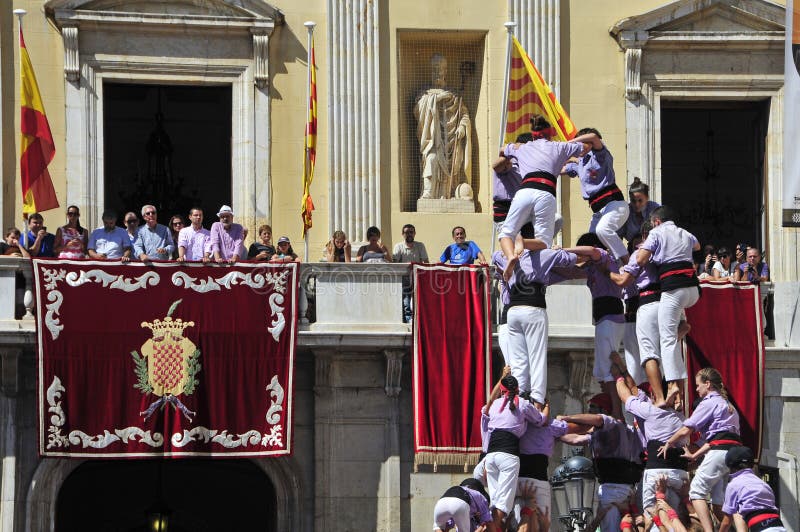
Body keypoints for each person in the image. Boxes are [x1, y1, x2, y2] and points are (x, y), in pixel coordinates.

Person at [493, 242, 590, 406]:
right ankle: (536, 400)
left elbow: (497, 257)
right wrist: (558, 250)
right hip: (530, 308)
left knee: (517, 364)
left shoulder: (501, 256)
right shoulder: (542, 256)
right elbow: (580, 259)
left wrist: (511, 255)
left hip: (510, 315)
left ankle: (517, 399)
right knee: (535, 358)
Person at [497, 117, 595, 275]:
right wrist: (568, 146)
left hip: (525, 191)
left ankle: (510, 256)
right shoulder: (559, 146)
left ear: (533, 135)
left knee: (506, 232)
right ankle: (523, 242)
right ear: (549, 135)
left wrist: (512, 150)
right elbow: (586, 147)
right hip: (546, 193)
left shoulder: (522, 148)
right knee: (544, 241)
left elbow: (502, 150)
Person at [658, 368, 742, 532]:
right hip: (733, 454)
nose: (696, 389)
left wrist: (669, 442)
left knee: (696, 490)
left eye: (698, 385)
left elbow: (686, 429)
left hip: (720, 451)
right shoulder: (729, 405)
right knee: (720, 501)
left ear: (708, 384)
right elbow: (717, 438)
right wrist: (695, 454)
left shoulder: (709, 402)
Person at [636, 206, 701, 401]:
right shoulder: (684, 232)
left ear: (656, 221)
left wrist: (653, 250)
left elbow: (640, 259)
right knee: (672, 336)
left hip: (674, 290)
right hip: (694, 291)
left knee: (668, 339)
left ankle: (673, 385)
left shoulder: (656, 232)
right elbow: (697, 246)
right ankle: (677, 391)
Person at [612, 356, 689, 514]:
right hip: (679, 475)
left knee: (651, 515)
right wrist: (623, 368)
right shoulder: (682, 418)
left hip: (657, 472)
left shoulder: (650, 411)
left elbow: (626, 396)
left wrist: (617, 377)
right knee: (676, 518)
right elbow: (634, 390)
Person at [559, 393, 643, 532]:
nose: (590, 411)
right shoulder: (601, 434)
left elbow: (597, 419)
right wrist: (552, 433)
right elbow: (575, 439)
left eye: (593, 407)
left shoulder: (612, 424)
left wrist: (566, 418)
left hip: (614, 489)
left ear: (604, 410)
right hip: (615, 488)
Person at [575, 232, 626, 419]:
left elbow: (592, 250)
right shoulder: (592, 267)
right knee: (601, 369)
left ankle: (617, 411)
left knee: (608, 369)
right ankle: (613, 407)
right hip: (603, 319)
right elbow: (570, 271)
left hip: (611, 317)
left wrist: (562, 250)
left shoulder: (605, 258)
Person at [483, 374, 544, 530]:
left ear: (502, 391)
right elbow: (539, 420)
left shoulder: (493, 405)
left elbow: (488, 404)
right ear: (517, 390)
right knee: (502, 506)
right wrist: (544, 408)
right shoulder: (522, 404)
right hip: (508, 456)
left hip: (490, 456)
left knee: (495, 502)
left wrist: (501, 376)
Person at [562, 127, 630, 263]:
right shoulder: (580, 162)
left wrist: (569, 142)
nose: (578, 148)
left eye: (581, 144)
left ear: (591, 144)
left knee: (603, 229)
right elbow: (560, 169)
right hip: (598, 211)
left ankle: (628, 263)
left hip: (614, 205)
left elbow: (593, 136)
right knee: (591, 243)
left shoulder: (601, 156)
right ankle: (601, 269)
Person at [414, 53, 472, 201]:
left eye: (440, 69)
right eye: (434, 69)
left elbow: (464, 114)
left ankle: (449, 194)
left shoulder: (454, 95)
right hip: (433, 141)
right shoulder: (425, 94)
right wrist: (436, 99)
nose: (437, 72)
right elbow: (417, 110)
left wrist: (462, 127)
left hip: (451, 142)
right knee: (432, 159)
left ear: (446, 71)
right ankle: (429, 193)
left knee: (452, 167)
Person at [720, 446, 785, 532]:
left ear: (730, 465)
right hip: (779, 526)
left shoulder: (733, 485)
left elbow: (727, 521)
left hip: (761, 528)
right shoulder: (764, 484)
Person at [392, 224, 428, 323]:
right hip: (404, 278)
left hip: (418, 277)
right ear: (402, 234)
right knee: (406, 300)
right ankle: (408, 319)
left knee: (420, 300)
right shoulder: (398, 246)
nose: (409, 234)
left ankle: (420, 319)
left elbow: (425, 261)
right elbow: (395, 263)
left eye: (411, 232)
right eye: (407, 232)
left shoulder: (420, 245)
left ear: (415, 233)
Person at [432, 478, 496, 532]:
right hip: (460, 502)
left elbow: (448, 525)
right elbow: (489, 522)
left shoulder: (463, 491)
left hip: (441, 503)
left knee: (438, 527)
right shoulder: (481, 497)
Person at [618, 177, 660, 244]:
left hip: (654, 247)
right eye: (633, 201)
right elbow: (618, 237)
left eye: (640, 200)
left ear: (647, 198)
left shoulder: (655, 209)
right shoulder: (625, 212)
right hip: (633, 248)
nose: (637, 204)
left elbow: (664, 231)